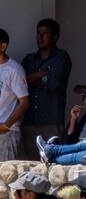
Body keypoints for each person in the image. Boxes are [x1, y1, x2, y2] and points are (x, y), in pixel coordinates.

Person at [20, 19, 72, 159]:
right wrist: (44, 73)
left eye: (45, 33)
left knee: (52, 163)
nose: (40, 37)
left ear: (54, 37)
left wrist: (34, 78)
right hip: (30, 121)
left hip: (52, 121)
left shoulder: (61, 57)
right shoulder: (29, 59)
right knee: (31, 165)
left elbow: (54, 83)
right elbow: (23, 82)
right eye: (38, 33)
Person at [0, 27, 29, 162]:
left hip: (6, 133)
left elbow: (24, 102)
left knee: (4, 177)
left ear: (3, 46)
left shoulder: (14, 70)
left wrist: (6, 126)